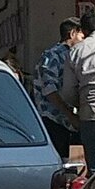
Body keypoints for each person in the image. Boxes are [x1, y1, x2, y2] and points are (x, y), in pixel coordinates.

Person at [31, 17, 83, 158]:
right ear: (72, 34)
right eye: (82, 36)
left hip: (68, 121)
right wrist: (70, 115)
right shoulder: (52, 56)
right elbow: (50, 90)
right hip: (54, 120)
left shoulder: (74, 55)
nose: (84, 41)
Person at [62, 8, 95, 174]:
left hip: (91, 113)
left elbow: (68, 91)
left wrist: (80, 105)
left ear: (84, 31)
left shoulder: (76, 51)